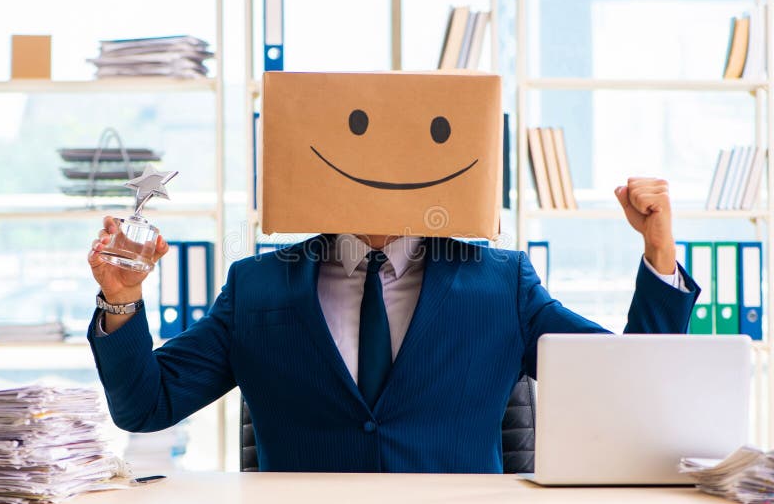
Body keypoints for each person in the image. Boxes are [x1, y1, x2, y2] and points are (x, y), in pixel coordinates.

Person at [87, 177, 699, 473]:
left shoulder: (500, 282)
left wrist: (659, 252)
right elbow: (148, 404)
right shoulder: (260, 286)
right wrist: (121, 301)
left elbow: (629, 390)